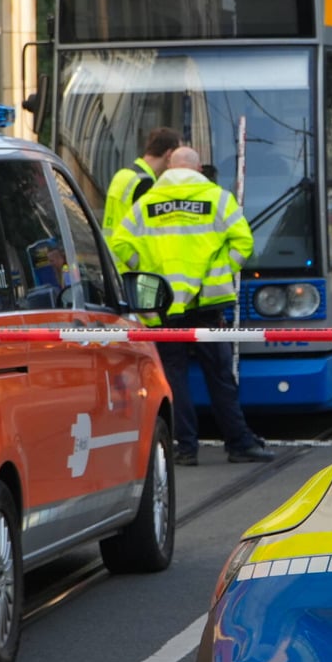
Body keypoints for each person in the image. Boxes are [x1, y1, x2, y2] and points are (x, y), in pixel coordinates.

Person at [109, 146, 275, 466]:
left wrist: (145, 268)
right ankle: (238, 443)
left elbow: (119, 243)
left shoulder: (147, 203)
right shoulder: (218, 198)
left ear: (168, 167)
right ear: (198, 168)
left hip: (163, 306)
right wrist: (221, 272)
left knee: (174, 378)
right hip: (206, 303)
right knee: (220, 375)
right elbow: (244, 243)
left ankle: (185, 448)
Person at [103, 127, 181, 238]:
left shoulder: (122, 175)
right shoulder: (147, 184)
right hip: (130, 253)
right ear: (169, 155)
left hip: (110, 250)